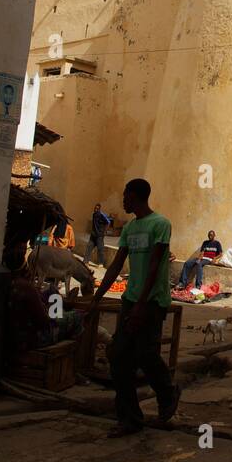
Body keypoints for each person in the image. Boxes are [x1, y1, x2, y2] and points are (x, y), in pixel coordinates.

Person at [88, 178, 180, 437]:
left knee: (145, 354)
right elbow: (117, 264)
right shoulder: (130, 228)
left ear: (137, 196)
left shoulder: (160, 225)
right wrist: (98, 296)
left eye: (126, 196)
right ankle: (129, 418)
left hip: (153, 300)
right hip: (131, 299)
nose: (123, 201)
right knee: (119, 357)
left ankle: (167, 393)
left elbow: (155, 266)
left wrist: (141, 304)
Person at [86, 203, 111, 268]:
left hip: (99, 235)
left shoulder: (102, 215)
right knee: (89, 247)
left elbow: (108, 222)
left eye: (97, 209)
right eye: (95, 208)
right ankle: (85, 261)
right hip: (93, 235)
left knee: (100, 249)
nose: (95, 210)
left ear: (99, 209)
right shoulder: (94, 214)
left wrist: (105, 231)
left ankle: (101, 263)